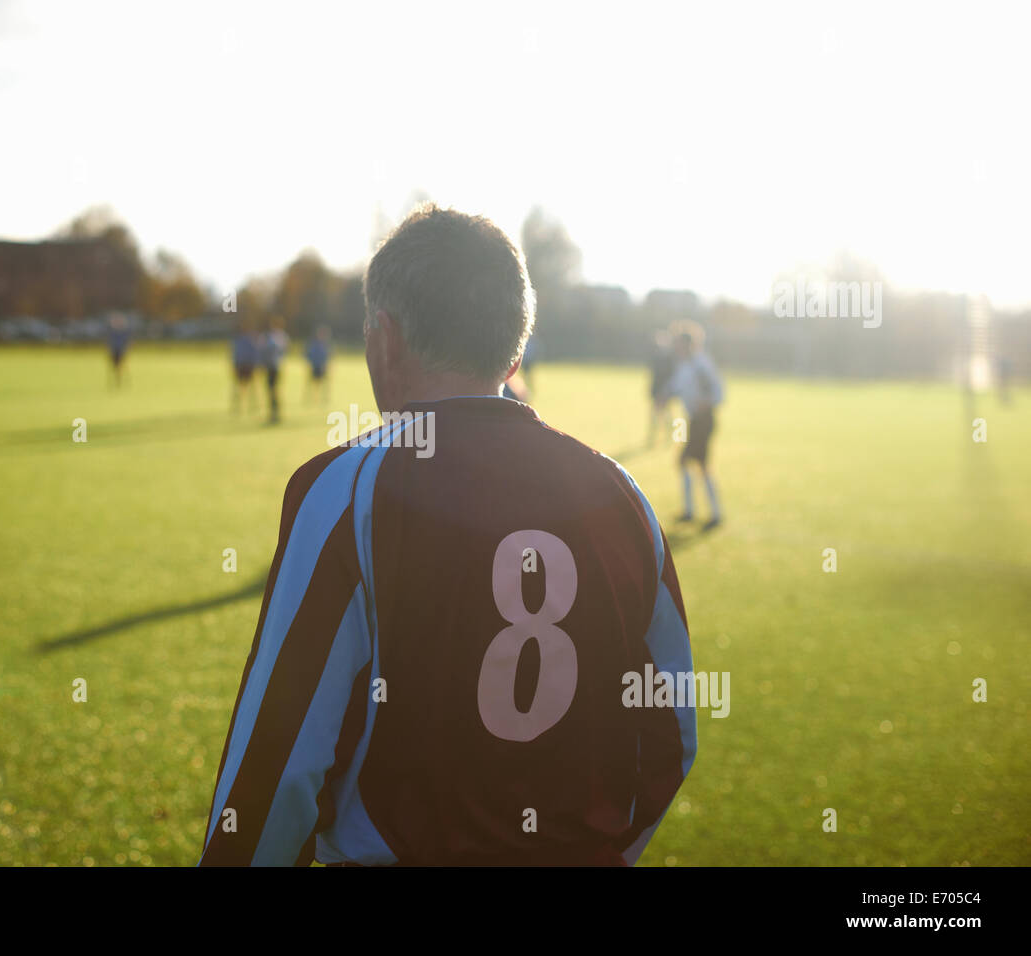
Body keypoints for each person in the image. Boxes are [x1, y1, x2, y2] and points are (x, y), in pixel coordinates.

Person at [199, 205, 695, 867]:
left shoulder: (347, 488)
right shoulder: (619, 493)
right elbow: (671, 730)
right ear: (515, 349)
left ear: (385, 337)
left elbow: (278, 767)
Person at [665, 320, 724, 530]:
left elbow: (718, 393)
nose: (676, 348)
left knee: (696, 464)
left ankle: (714, 513)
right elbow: (677, 386)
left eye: (679, 344)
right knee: (689, 463)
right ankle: (692, 511)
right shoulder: (685, 365)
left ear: (689, 345)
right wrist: (664, 396)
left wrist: (705, 402)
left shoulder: (701, 365)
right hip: (692, 421)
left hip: (704, 421)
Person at [647, 329, 675, 447]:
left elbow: (671, 374)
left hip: (665, 390)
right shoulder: (655, 355)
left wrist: (666, 391)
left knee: (667, 413)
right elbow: (652, 373)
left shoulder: (670, 357)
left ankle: (671, 436)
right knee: (654, 414)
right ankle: (652, 437)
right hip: (656, 388)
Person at [260, 317, 289, 424]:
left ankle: (275, 413)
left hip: (275, 367)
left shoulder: (279, 337)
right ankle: (273, 413)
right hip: (270, 367)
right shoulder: (270, 336)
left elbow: (281, 350)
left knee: (274, 391)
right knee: (271, 391)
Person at [231, 324, 259, 415]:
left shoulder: (251, 340)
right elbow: (235, 354)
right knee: (239, 387)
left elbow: (254, 354)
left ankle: (253, 405)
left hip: (248, 366)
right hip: (241, 366)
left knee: (251, 387)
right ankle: (237, 406)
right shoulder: (239, 340)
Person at [304, 325, 332, 405]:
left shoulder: (326, 344)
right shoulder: (313, 343)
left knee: (324, 384)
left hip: (322, 367)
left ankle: (325, 399)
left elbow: (329, 356)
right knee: (311, 383)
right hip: (315, 366)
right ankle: (309, 398)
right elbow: (308, 354)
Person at [107, 314, 130, 387]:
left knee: (121, 367)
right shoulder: (112, 332)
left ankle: (121, 381)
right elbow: (109, 342)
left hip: (120, 351)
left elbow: (126, 342)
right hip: (114, 351)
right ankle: (115, 381)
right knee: (114, 367)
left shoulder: (123, 332)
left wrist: (125, 349)